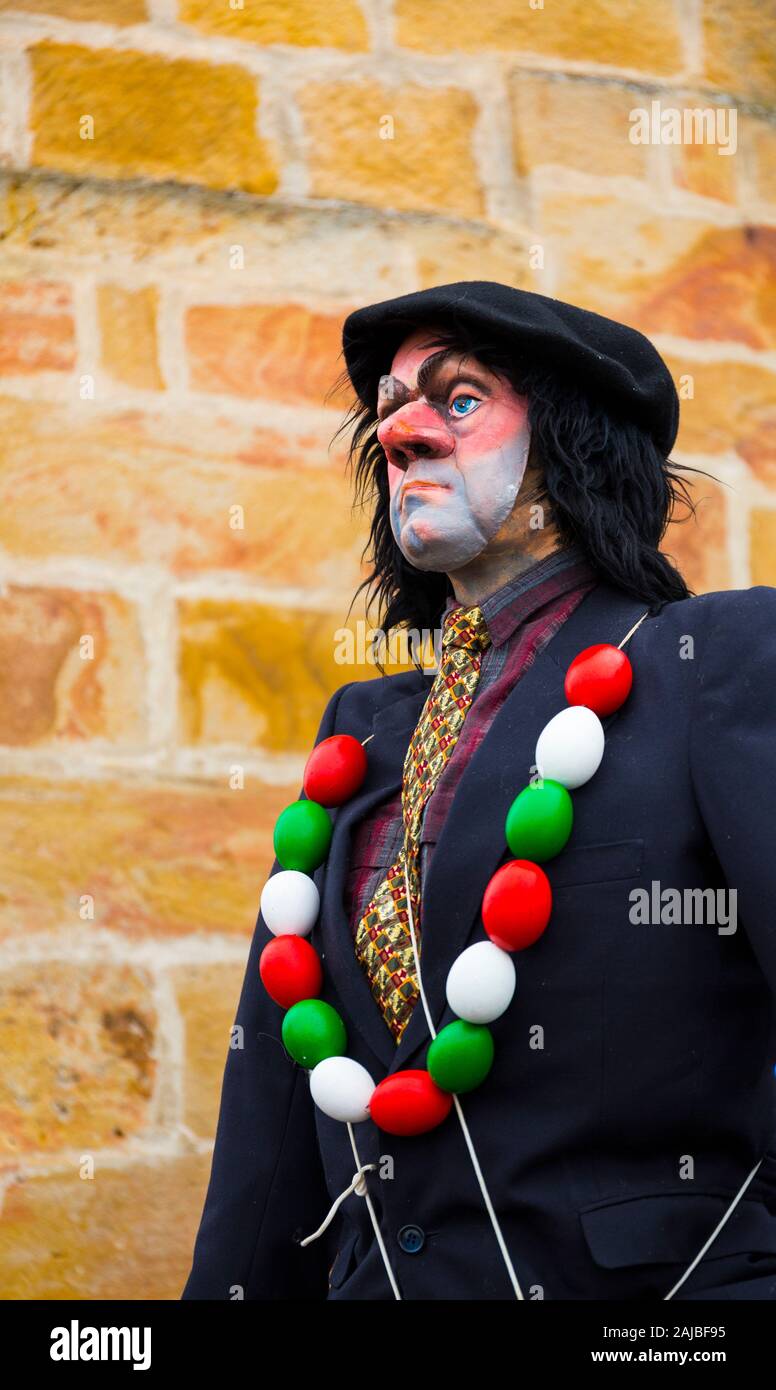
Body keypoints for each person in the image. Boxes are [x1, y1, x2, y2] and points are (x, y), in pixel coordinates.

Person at [182, 281, 776, 1301]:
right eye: (388, 407)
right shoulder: (354, 740)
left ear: (571, 444)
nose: (401, 431)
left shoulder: (709, 662)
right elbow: (270, 1144)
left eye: (457, 400)